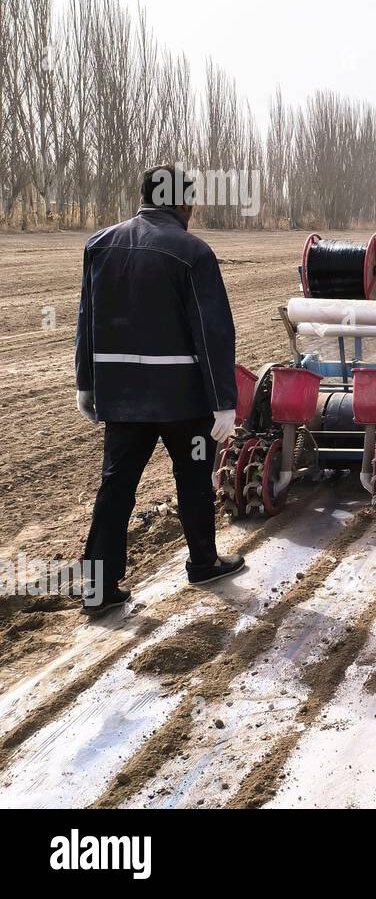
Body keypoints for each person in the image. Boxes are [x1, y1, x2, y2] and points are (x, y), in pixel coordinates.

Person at [75, 164, 246, 616]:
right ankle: (204, 563)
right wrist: (224, 402)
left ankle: (97, 589)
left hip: (124, 401)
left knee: (116, 487)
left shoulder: (99, 244)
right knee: (193, 479)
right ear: (181, 201)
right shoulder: (192, 252)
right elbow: (212, 333)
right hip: (182, 402)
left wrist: (86, 385)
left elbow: (86, 322)